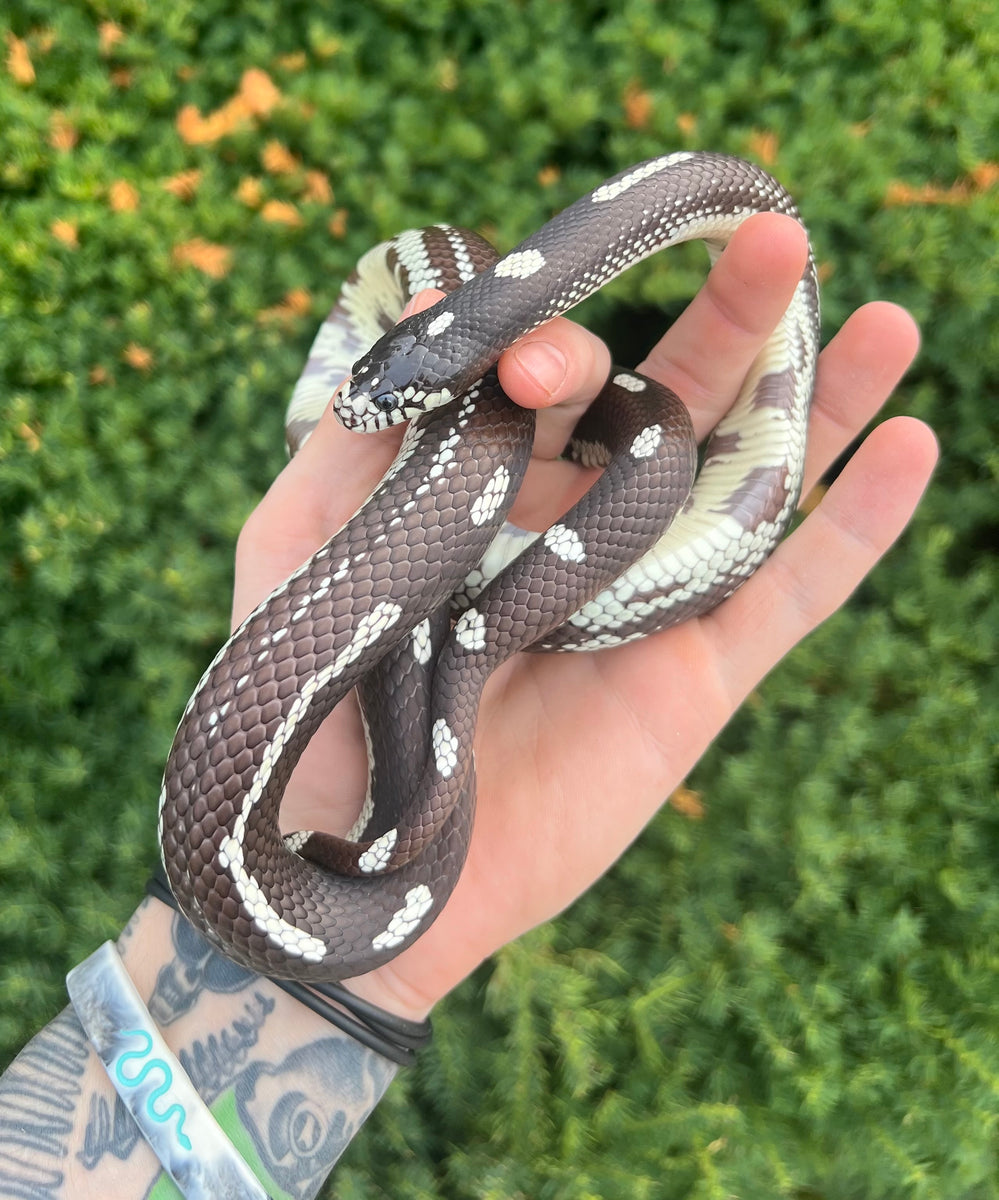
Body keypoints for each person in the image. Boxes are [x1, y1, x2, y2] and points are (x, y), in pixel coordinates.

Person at [0, 213, 936, 1199]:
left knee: (547, 392)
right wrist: (353, 963)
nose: (368, 408)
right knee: (524, 398)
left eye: (389, 392)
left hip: (465, 603)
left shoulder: (481, 350)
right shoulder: (446, 409)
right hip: (386, 807)